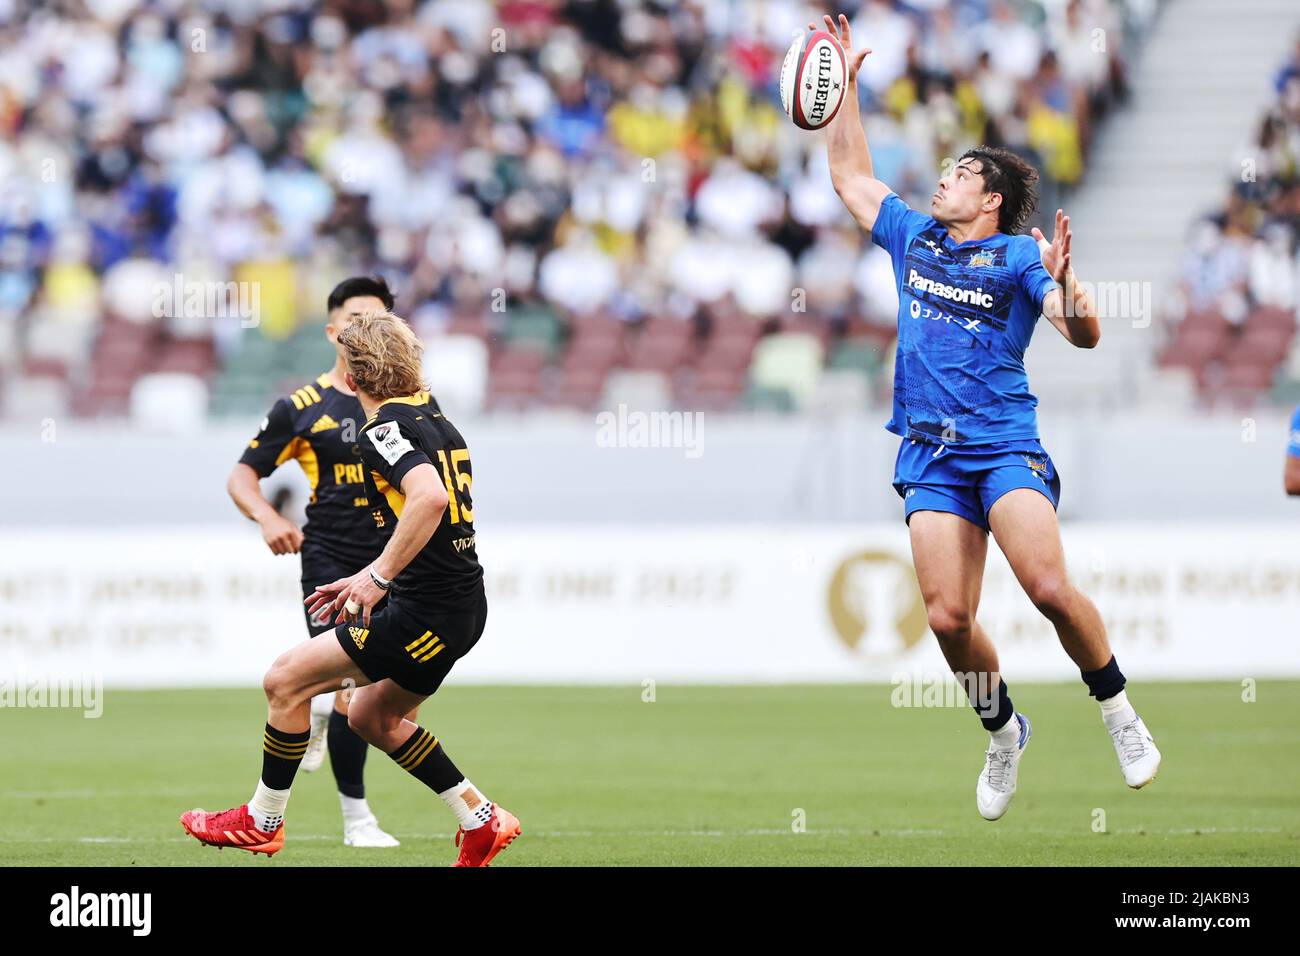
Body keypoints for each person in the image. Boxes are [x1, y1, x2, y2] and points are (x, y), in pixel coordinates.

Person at [816, 13, 1161, 820]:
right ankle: (1004, 731)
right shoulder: (914, 237)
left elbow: (1083, 335)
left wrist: (1068, 285)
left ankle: (1118, 711)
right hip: (931, 455)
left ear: (991, 197)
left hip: (1003, 446)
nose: (942, 179)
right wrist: (842, 90)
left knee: (1045, 587)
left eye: (959, 173)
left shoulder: (1015, 256)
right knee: (945, 617)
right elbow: (850, 180)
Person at [184, 311, 519, 866]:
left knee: (285, 681)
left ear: (354, 380)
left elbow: (430, 498)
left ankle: (261, 821)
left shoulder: (382, 429)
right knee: (371, 718)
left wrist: (375, 576)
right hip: (461, 605)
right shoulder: (437, 419)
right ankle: (479, 817)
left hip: (425, 612)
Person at [224, 276, 403, 848]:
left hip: (393, 564)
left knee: (375, 695)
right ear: (332, 331)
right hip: (330, 562)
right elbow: (242, 474)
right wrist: (269, 518)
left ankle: (326, 703)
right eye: (355, 319)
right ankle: (358, 820)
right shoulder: (301, 407)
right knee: (353, 689)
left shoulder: (411, 406)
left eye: (378, 319)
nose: (365, 329)